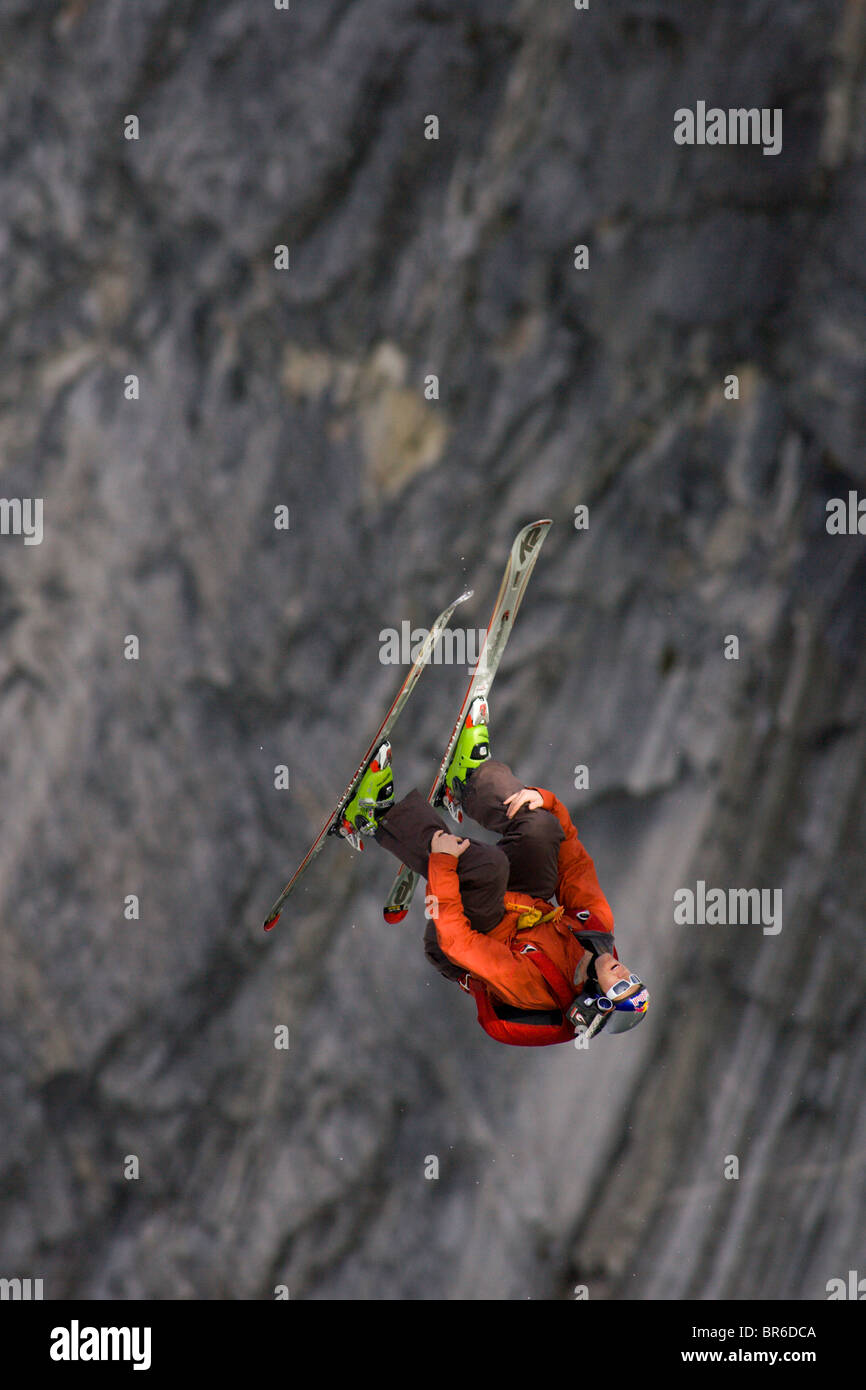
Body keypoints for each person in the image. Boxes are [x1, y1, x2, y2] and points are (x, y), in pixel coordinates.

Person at [341, 698, 649, 1045]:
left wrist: (442, 864)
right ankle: (469, 780)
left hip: (464, 934)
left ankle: (372, 814)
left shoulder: (538, 988)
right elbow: (574, 863)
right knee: (541, 829)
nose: (624, 972)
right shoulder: (596, 929)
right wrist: (546, 801)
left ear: (599, 1000)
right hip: (518, 905)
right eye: (634, 978)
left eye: (622, 986)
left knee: (486, 867)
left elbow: (459, 944)